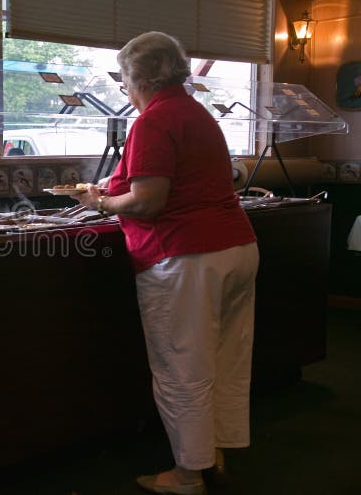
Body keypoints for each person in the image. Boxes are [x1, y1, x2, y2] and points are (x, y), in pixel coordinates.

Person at [75, 31, 259, 495]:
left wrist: (99, 203)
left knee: (181, 367)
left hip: (185, 256)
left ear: (139, 78)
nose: (126, 90)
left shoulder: (154, 120)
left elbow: (149, 201)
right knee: (223, 359)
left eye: (123, 81)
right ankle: (214, 452)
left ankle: (187, 474)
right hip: (236, 247)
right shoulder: (196, 112)